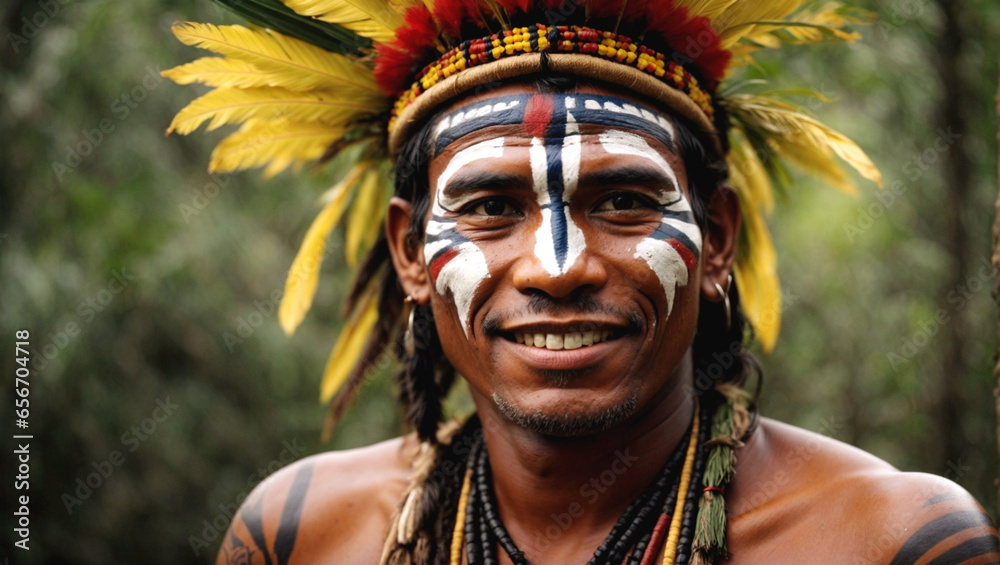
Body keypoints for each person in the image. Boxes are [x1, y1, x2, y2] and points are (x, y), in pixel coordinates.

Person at [162, 1, 1000, 563]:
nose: (558, 267)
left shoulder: (893, 541)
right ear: (411, 250)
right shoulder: (299, 532)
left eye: (626, 200)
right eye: (490, 206)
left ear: (715, 239)